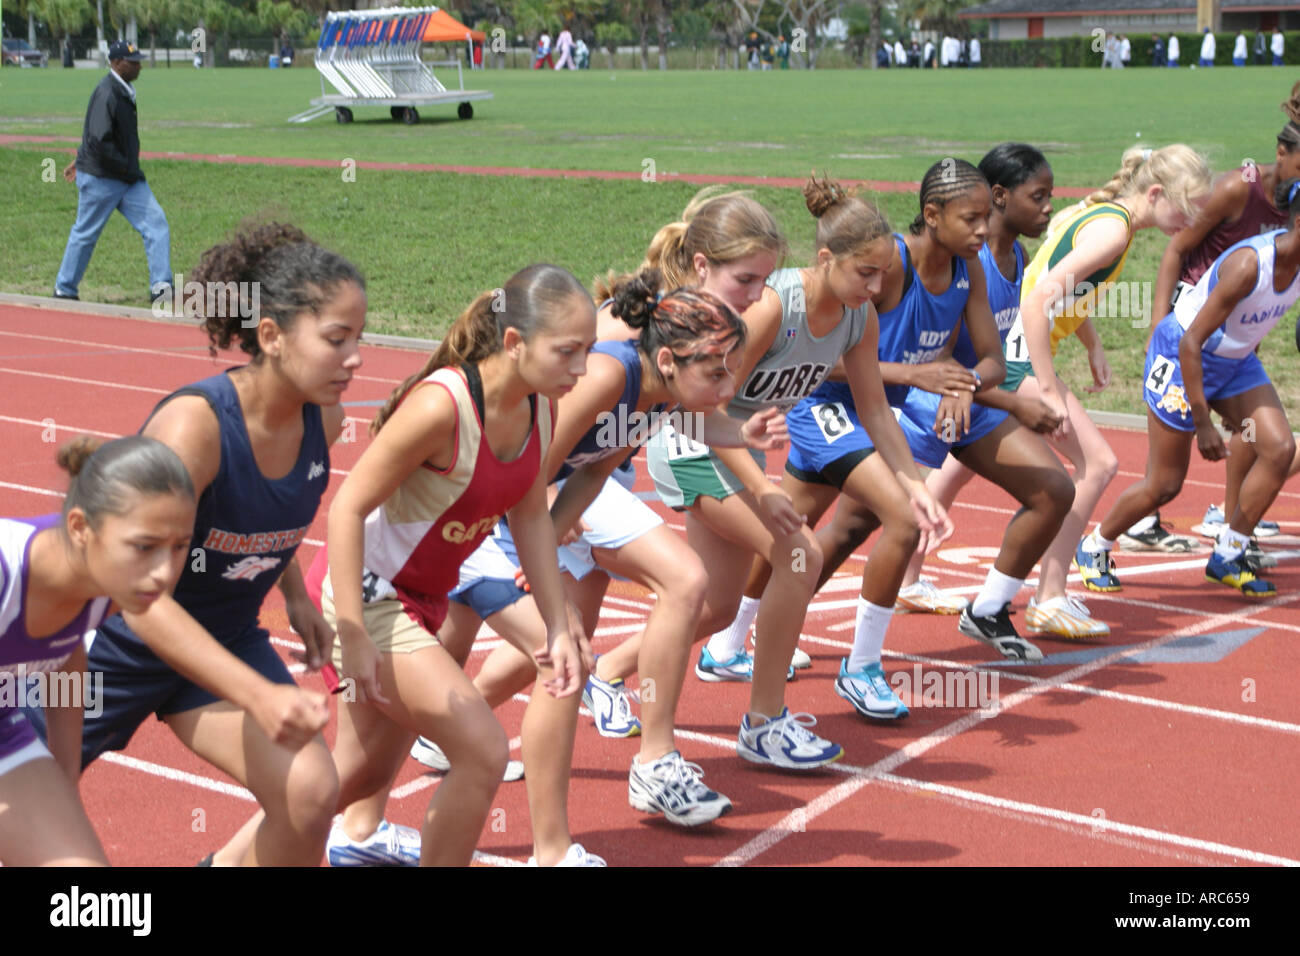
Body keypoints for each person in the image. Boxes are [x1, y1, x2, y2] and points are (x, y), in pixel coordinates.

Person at [31, 223, 367, 867]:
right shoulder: (195, 429)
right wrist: (257, 693)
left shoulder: (323, 418)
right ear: (270, 336)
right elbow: (137, 594)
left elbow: (258, 518)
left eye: (357, 337)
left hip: (219, 640)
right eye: (335, 339)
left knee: (310, 793)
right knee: (30, 813)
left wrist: (296, 595)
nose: (356, 358)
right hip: (112, 647)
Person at [644, 175, 949, 763]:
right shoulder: (772, 307)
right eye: (866, 272)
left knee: (715, 608)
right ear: (826, 258)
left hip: (738, 447)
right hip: (691, 441)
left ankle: (607, 669)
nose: (878, 285)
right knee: (799, 553)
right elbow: (699, 403)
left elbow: (876, 413)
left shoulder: (860, 318)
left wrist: (917, 487)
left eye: (885, 274)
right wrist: (760, 487)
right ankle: (764, 722)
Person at [308, 264, 594, 867]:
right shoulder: (442, 405)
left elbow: (532, 518)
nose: (582, 370)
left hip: (423, 599)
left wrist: (558, 624)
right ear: (514, 344)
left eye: (588, 352)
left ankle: (233, 861)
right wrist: (354, 632)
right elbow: (347, 507)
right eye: (567, 352)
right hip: (365, 593)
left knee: (353, 778)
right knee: (484, 750)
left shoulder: (540, 409)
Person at [1000, 146, 1211, 631]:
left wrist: (1092, 342)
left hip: (1010, 349)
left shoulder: (1108, 218)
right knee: (1098, 463)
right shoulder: (1113, 231)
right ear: (1155, 193)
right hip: (1018, 354)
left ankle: (907, 578)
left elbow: (1064, 289)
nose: (1192, 219)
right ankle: (1049, 594)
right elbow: (1036, 303)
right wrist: (1049, 389)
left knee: (955, 466)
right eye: (1187, 206)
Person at [891, 145, 1085, 640]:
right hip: (917, 395)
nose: (1048, 208)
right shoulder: (935, 261)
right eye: (1037, 196)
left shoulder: (1013, 257)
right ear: (1001, 197)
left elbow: (990, 359)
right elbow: (922, 354)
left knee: (1054, 490)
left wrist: (973, 384)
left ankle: (989, 607)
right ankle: (749, 626)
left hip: (966, 396)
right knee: (872, 523)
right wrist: (1006, 396)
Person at [1088, 179, 1300, 598]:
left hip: (1236, 363)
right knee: (1164, 484)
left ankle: (1228, 554)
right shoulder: (1249, 266)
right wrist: (1204, 421)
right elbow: (1191, 341)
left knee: (1278, 449)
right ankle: (1095, 546)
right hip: (1183, 356)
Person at [1, 436, 195, 866]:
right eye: (145, 546)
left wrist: (65, 770)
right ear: (80, 529)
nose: (163, 571)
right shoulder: (7, 572)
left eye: (180, 547)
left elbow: (64, 656)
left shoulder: (106, 581)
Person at [1122, 90, 1300, 557]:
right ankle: (1137, 521)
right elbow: (1177, 248)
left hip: (1241, 329)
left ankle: (1229, 517)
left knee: (1254, 432)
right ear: (1281, 153)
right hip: (1194, 322)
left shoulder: (1295, 208)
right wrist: (1157, 328)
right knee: (1171, 464)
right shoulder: (1238, 188)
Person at [55, 40, 171, 306]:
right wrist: (121, 166)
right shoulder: (107, 93)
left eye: (139, 60)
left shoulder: (123, 90)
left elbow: (94, 136)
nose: (139, 66)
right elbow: (98, 140)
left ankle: (162, 287)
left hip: (125, 179)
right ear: (117, 63)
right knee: (86, 234)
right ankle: (64, 289)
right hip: (102, 180)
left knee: (156, 223)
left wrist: (80, 158)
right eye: (134, 62)